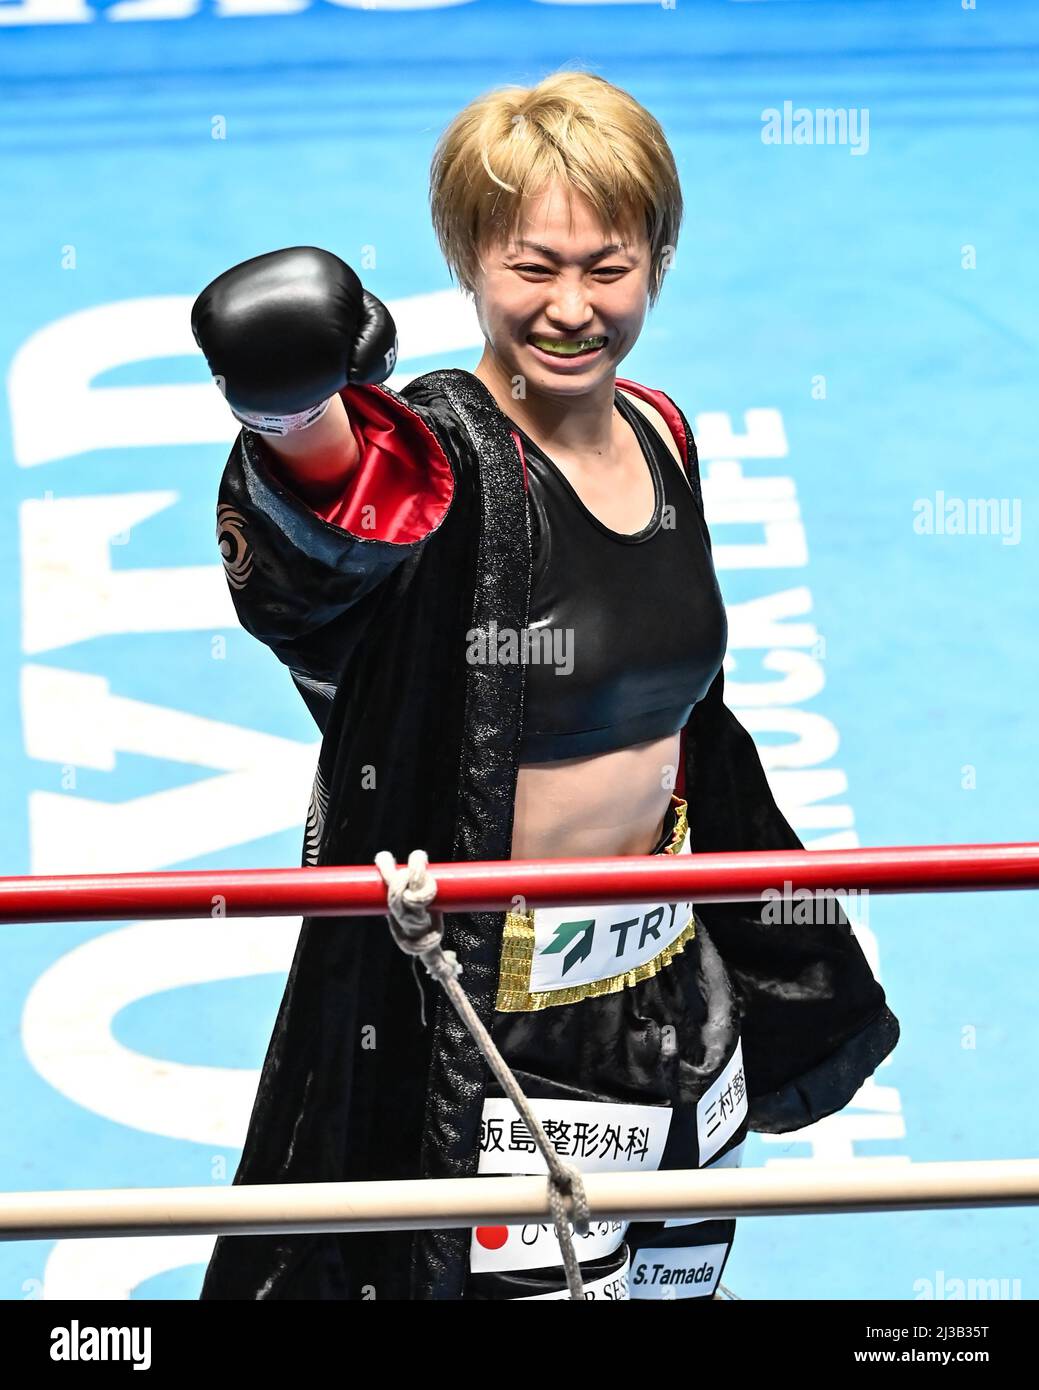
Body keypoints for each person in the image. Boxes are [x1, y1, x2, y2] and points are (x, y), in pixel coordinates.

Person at [192, 70, 899, 1302]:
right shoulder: (438, 453)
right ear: (468, 259)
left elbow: (700, 727)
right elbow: (336, 520)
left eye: (607, 266)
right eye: (533, 267)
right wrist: (293, 407)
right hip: (487, 1030)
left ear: (658, 261)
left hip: (675, 993)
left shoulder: (663, 431)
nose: (573, 309)